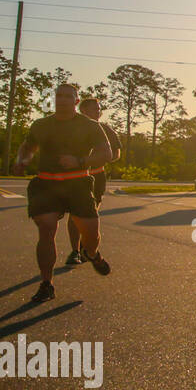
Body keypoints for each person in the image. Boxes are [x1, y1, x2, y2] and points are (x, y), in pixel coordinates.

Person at [16, 83, 114, 303]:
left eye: (68, 97)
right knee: (47, 228)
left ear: (76, 102)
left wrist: (80, 161)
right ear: (54, 99)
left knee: (90, 237)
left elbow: (106, 153)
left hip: (77, 184)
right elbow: (28, 146)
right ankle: (46, 284)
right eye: (58, 96)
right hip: (46, 184)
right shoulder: (41, 124)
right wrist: (22, 159)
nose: (62, 100)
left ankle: (92, 254)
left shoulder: (89, 126)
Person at [66, 97, 121, 265]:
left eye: (99, 109)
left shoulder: (105, 129)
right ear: (83, 111)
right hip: (77, 177)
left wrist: (101, 158)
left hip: (98, 177)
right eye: (94, 109)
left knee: (91, 214)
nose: (98, 112)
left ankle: (86, 248)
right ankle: (75, 251)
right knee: (75, 214)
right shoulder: (71, 129)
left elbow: (116, 153)